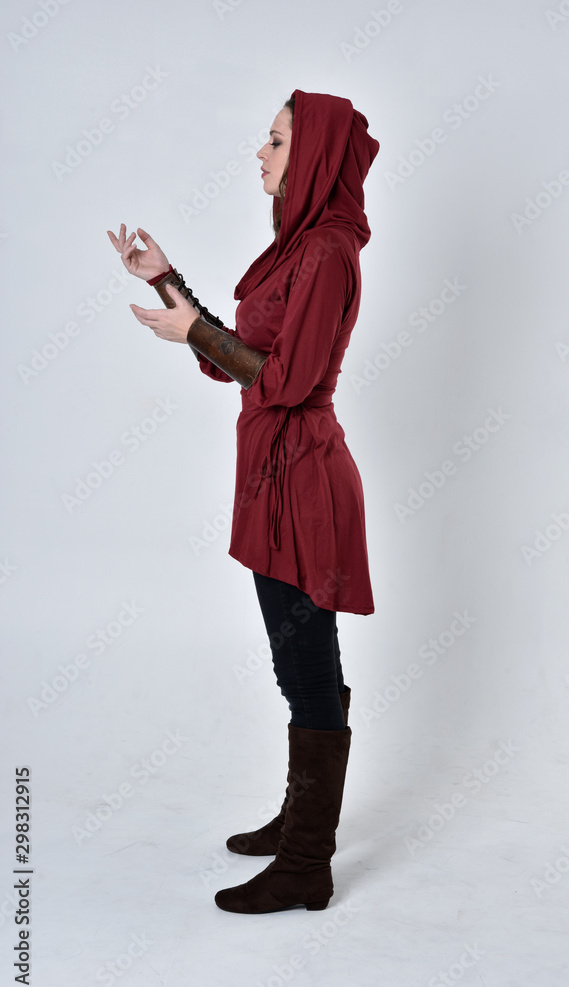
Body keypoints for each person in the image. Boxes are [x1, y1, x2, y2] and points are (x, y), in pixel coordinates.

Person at [107, 88, 379, 914]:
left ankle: (306, 864)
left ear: (316, 156)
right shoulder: (299, 248)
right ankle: (302, 818)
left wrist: (189, 331)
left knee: (304, 664)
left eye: (275, 140)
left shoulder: (328, 251)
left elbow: (288, 382)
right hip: (275, 473)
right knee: (298, 661)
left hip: (303, 482)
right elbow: (254, 352)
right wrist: (172, 286)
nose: (259, 154)